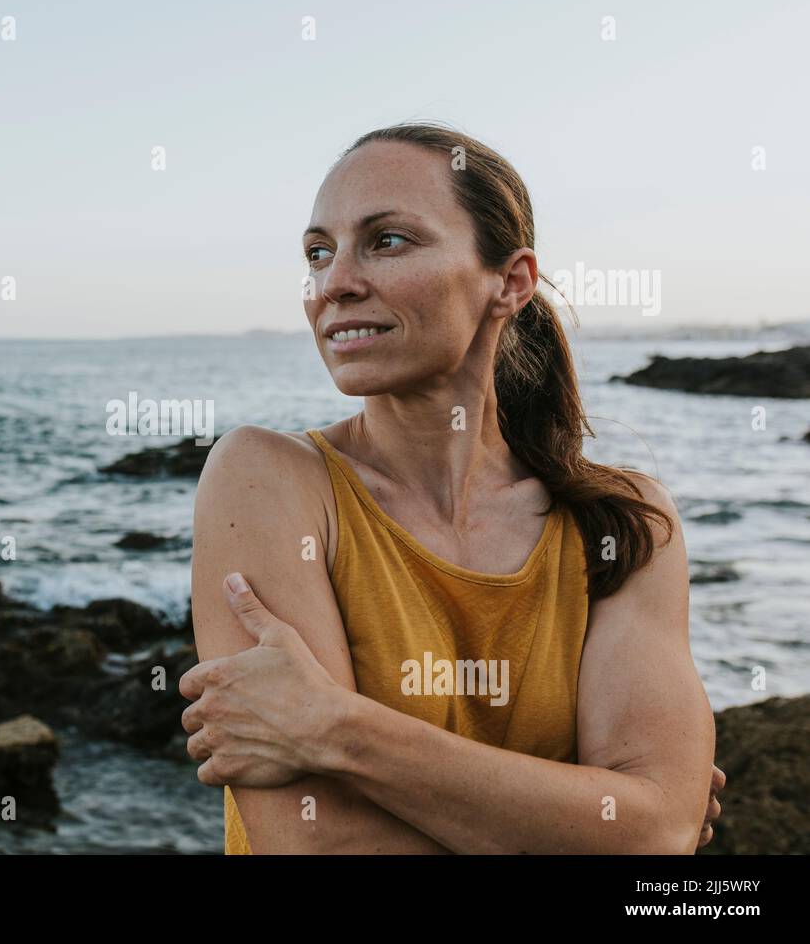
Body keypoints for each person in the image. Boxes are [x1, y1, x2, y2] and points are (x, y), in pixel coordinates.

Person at [180, 122, 725, 854]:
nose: (334, 283)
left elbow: (653, 828)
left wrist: (335, 728)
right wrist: (579, 814)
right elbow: (317, 844)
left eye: (388, 241)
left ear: (511, 281)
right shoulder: (268, 479)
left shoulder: (624, 522)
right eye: (318, 252)